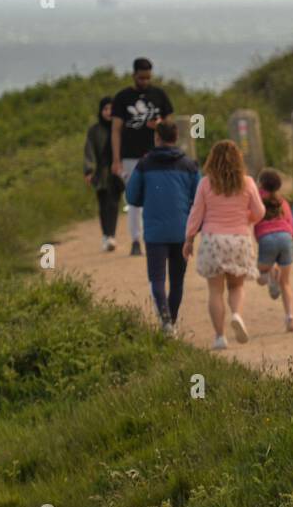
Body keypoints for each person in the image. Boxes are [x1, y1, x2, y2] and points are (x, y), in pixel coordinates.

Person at [184, 140, 264, 350]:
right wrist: (247, 218)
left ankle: (220, 337)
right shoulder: (247, 183)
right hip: (239, 240)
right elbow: (260, 211)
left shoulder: (205, 183)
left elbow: (196, 214)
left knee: (215, 291)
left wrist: (189, 239)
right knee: (237, 286)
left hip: (213, 241)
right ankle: (236, 314)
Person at [126, 120, 199, 335]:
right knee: (177, 281)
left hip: (155, 232)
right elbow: (198, 198)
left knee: (157, 279)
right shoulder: (189, 165)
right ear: (175, 138)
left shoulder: (144, 164)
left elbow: (131, 196)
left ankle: (165, 321)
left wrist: (145, 200)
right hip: (182, 231)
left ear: (157, 138)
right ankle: (172, 322)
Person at [110, 57, 175, 256]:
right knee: (134, 200)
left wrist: (159, 126)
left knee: (156, 197)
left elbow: (170, 127)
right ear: (134, 75)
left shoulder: (159, 95)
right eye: (141, 78)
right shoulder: (122, 97)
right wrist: (116, 159)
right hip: (130, 156)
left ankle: (153, 237)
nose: (145, 82)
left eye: (148, 78)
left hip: (156, 154)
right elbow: (116, 130)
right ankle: (136, 239)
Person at [254, 168, 293, 333]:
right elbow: (290, 222)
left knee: (260, 279)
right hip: (286, 238)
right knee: (285, 283)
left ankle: (271, 271)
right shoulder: (283, 202)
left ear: (261, 184)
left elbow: (252, 218)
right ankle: (290, 318)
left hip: (267, 239)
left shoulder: (257, 199)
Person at [83, 97, 122, 252]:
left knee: (114, 204)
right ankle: (106, 235)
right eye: (105, 109)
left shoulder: (119, 128)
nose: (108, 112)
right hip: (100, 174)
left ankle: (111, 235)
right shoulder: (94, 131)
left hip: (116, 172)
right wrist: (88, 170)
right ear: (101, 111)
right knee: (103, 204)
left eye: (111, 109)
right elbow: (89, 151)